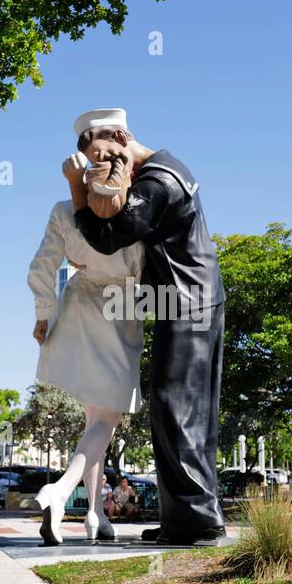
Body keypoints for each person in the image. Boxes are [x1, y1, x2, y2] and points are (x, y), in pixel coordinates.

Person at [65, 108, 227, 545]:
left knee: (176, 408)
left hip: (187, 302)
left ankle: (195, 521)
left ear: (122, 136)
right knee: (188, 409)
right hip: (193, 298)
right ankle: (189, 518)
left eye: (105, 155)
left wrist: (76, 192)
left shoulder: (157, 181)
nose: (105, 168)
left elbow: (108, 235)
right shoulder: (167, 168)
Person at [27, 156, 144, 546]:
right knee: (106, 419)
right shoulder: (136, 215)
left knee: (94, 419)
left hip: (77, 307)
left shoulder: (64, 211)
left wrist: (43, 314)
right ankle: (60, 493)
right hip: (120, 310)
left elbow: (42, 267)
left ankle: (95, 515)